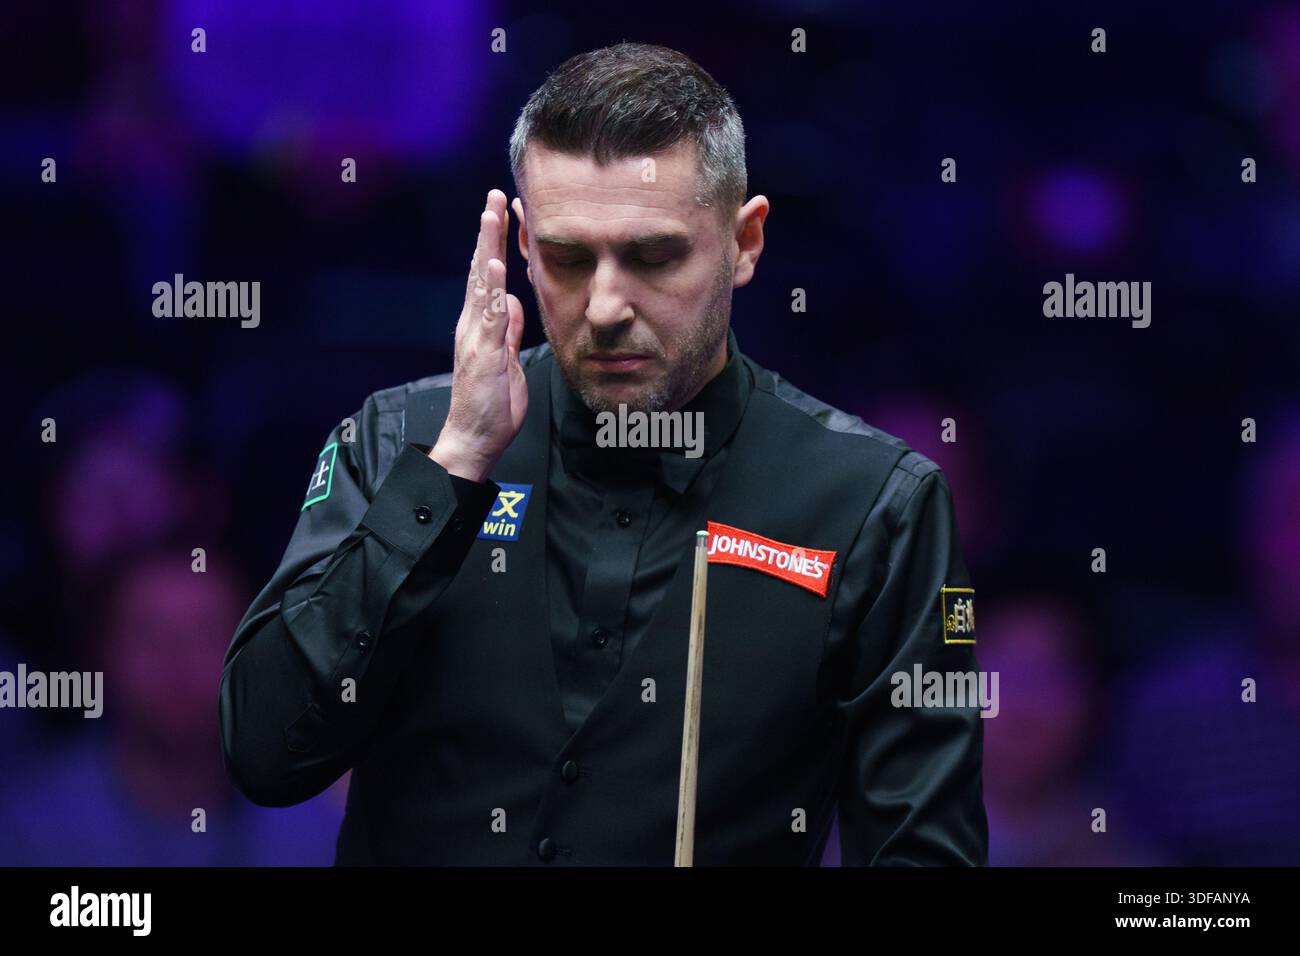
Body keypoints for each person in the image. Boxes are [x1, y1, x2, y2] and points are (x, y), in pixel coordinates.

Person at [219, 42, 987, 866]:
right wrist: (451, 470)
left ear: (746, 241)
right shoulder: (394, 441)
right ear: (520, 245)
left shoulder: (877, 506)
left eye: (654, 256)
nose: (607, 305)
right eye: (569, 258)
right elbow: (265, 752)